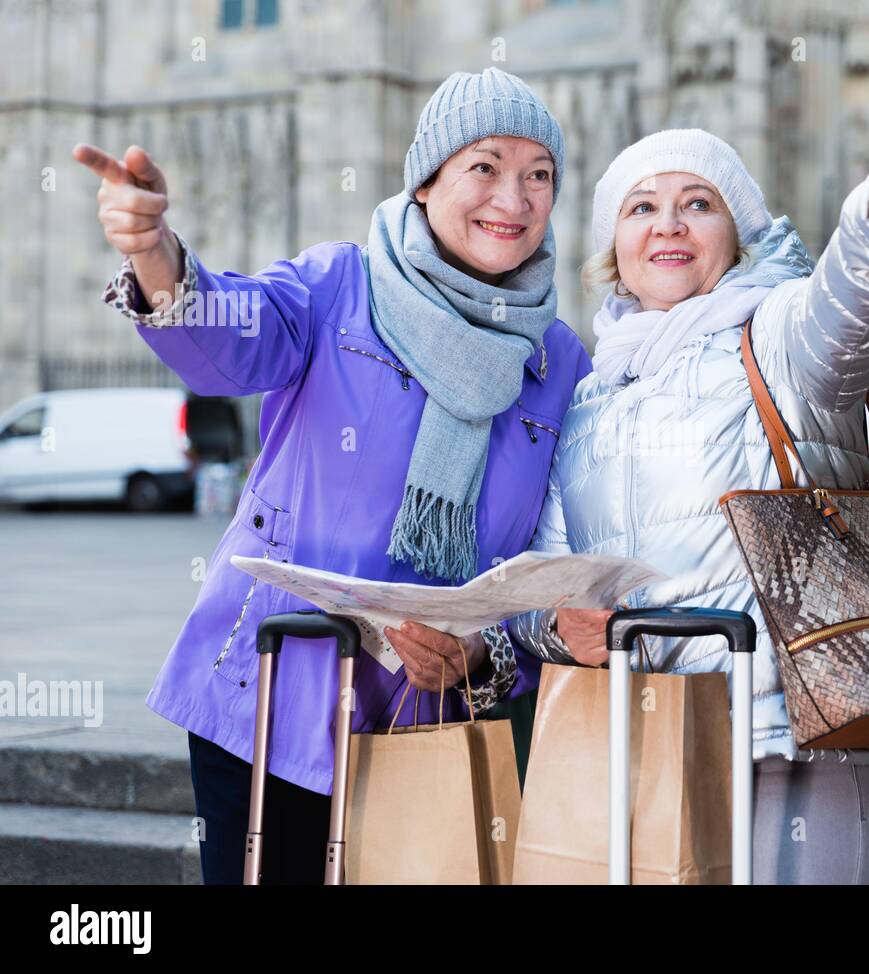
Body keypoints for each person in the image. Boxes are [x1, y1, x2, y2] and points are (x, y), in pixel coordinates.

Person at [74, 67, 589, 884]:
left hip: (433, 726)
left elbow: (554, 564)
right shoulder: (335, 287)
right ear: (427, 181)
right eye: (484, 166)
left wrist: (480, 656)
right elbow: (227, 338)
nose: (514, 198)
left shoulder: (559, 362)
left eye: (540, 175)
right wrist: (155, 255)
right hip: (274, 699)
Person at [507, 108, 869, 884]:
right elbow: (547, 579)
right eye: (641, 207)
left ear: (736, 232)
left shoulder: (779, 334)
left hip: (796, 735)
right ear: (613, 247)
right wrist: (555, 625)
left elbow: (848, 312)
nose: (668, 224)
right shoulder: (586, 400)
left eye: (698, 202)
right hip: (652, 745)